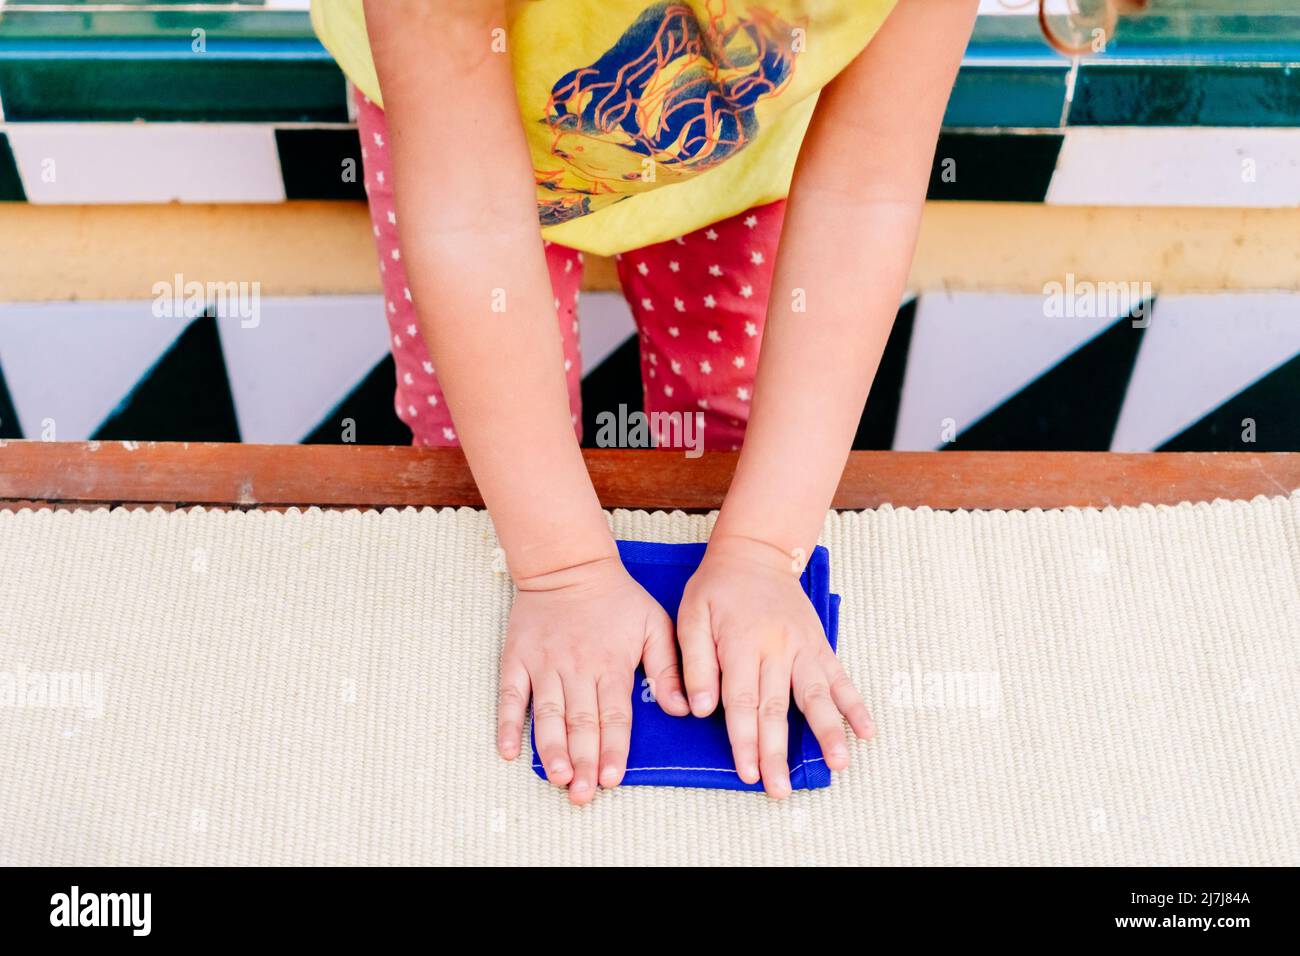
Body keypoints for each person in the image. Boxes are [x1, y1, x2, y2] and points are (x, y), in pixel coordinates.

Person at [312, 0, 981, 802]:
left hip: (736, 156)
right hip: (457, 128)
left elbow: (865, 192)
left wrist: (765, 551)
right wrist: (560, 570)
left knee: (723, 433)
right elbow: (468, 216)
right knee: (466, 459)